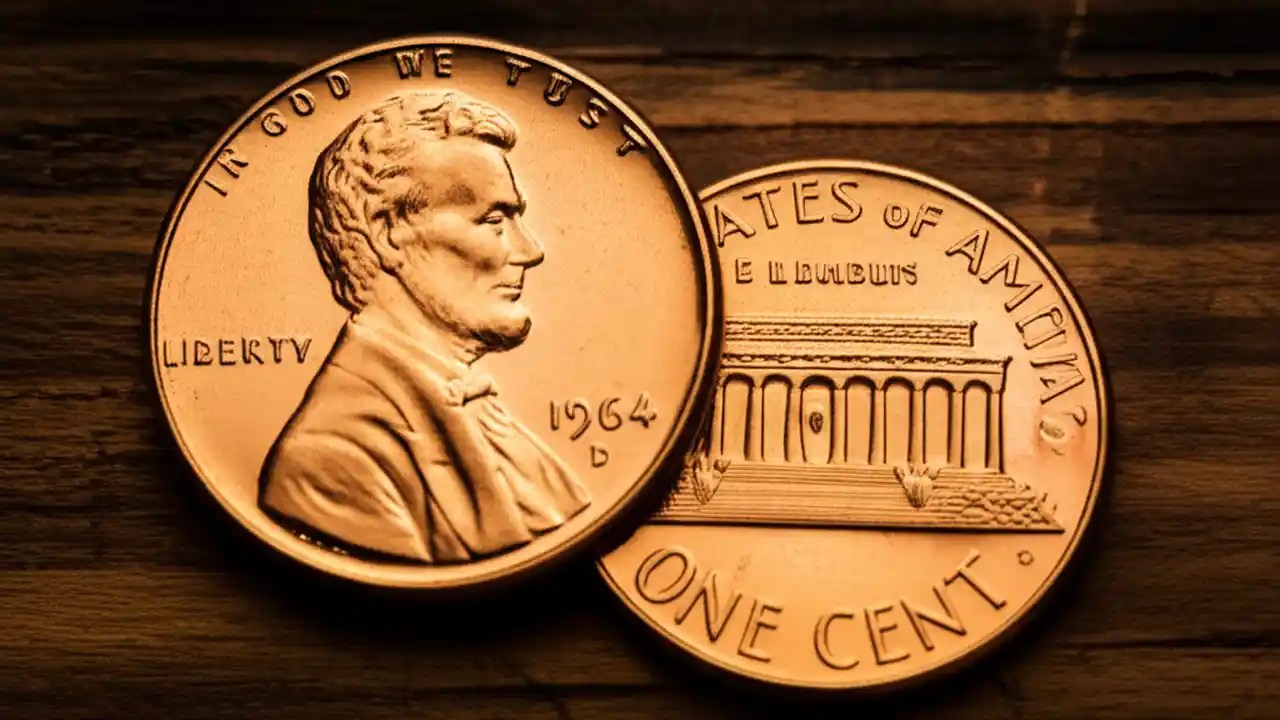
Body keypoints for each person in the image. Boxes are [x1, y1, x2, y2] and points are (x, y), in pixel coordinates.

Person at [259, 91, 590, 564]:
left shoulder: (482, 413)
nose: (530, 249)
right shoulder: (328, 459)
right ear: (387, 230)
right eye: (494, 220)